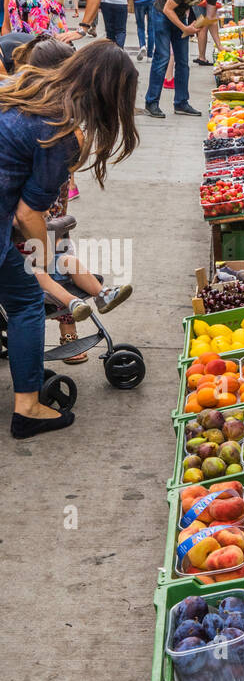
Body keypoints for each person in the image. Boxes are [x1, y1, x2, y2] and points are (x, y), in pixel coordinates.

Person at [0, 39, 138, 438]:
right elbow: (29, 214)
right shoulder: (59, 130)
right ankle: (28, 408)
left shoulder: (27, 84)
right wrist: (42, 260)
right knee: (26, 299)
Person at [143, 0, 233, 118]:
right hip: (161, 14)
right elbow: (167, 9)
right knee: (163, 57)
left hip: (179, 17)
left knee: (183, 61)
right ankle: (151, 102)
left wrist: (220, 46)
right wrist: (185, 28)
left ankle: (181, 103)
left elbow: (210, 18)